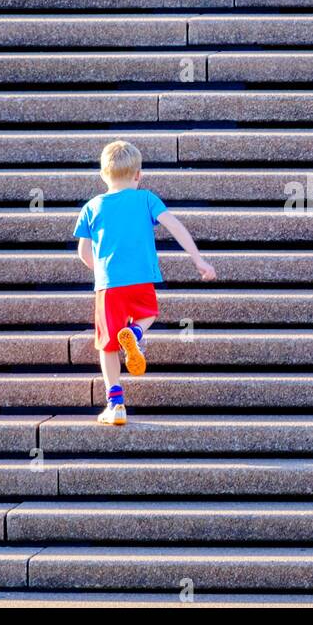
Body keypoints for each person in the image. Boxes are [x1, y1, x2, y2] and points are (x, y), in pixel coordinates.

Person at [74, 140, 216, 425]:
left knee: (108, 344)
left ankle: (115, 404)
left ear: (103, 175)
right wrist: (198, 259)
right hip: (140, 279)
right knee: (148, 313)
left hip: (108, 284)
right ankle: (136, 334)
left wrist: (99, 270)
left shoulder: (92, 206)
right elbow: (175, 226)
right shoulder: (147, 199)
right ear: (138, 175)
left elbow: (83, 251)